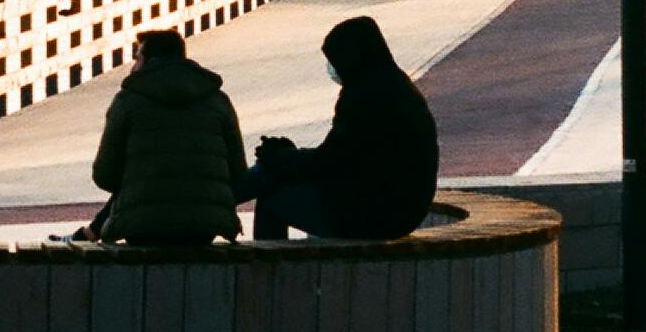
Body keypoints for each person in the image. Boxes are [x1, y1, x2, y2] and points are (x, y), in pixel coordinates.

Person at [240, 14, 440, 241]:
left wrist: (283, 158)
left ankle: (225, 211)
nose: (334, 68)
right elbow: (343, 154)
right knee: (276, 170)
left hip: (374, 215)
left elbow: (331, 161)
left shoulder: (366, 96)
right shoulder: (392, 85)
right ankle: (218, 199)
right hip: (396, 207)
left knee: (271, 200)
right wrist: (289, 156)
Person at [86, 28, 247, 247]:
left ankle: (88, 232)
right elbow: (238, 173)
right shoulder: (218, 100)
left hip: (141, 227)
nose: (133, 67)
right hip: (204, 227)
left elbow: (104, 175)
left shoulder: (127, 101)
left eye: (137, 58)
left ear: (150, 61)